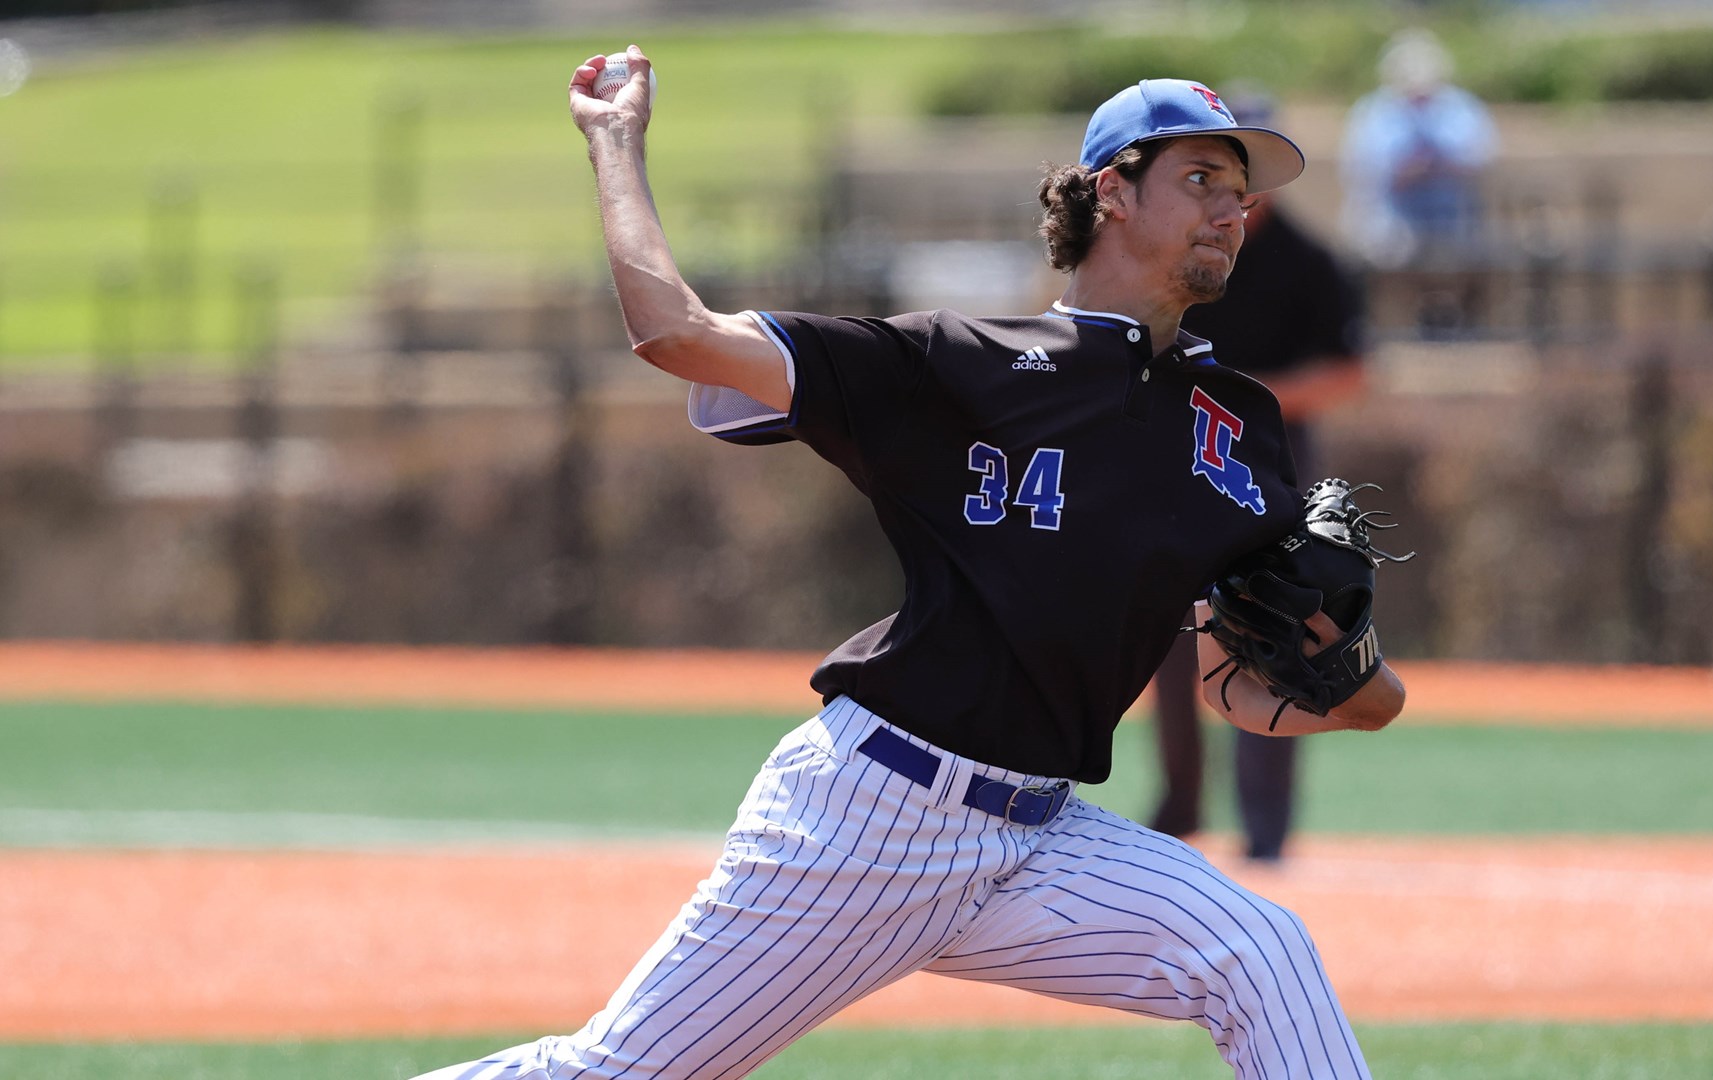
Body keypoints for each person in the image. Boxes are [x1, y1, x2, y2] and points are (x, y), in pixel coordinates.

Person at [415, 53, 1404, 1080]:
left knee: (1260, 953)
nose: (1231, 211)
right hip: (873, 819)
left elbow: (1239, 689)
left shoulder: (1232, 423)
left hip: (1041, 836)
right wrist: (615, 143)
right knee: (613, 1075)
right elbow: (677, 333)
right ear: (1111, 191)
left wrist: (1359, 677)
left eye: (1240, 193)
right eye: (1200, 180)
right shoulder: (960, 359)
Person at [1149, 123, 1369, 862]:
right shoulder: (1179, 250)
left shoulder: (1307, 260)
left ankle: (1265, 829)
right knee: (1168, 637)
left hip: (1268, 461)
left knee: (1270, 634)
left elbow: (1349, 370)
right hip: (1173, 456)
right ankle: (1178, 809)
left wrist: (1243, 397)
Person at [1338, 28, 1498, 273]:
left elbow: (1480, 160)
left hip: (1451, 219)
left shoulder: (1461, 107)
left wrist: (1445, 167)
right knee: (1384, 244)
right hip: (1390, 221)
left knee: (1462, 248)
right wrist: (1406, 172)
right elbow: (1361, 173)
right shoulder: (1373, 112)